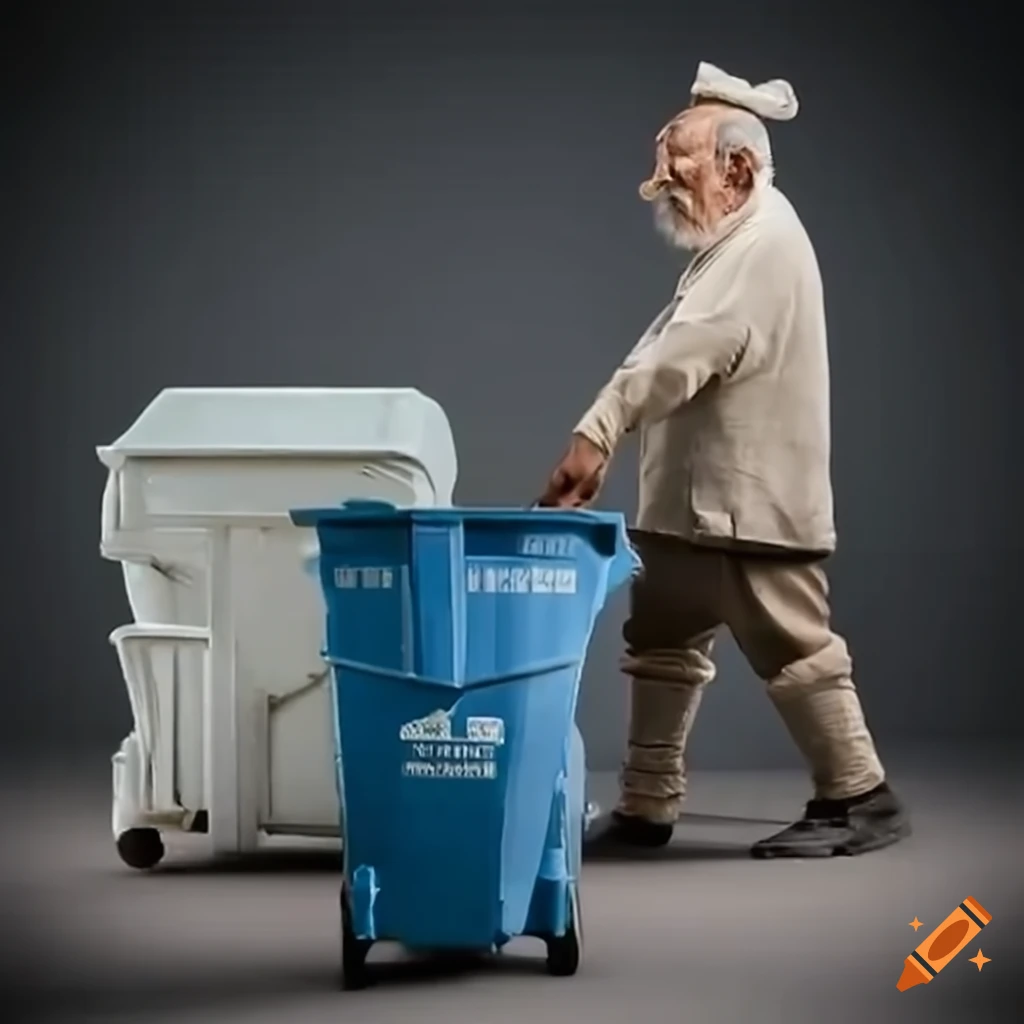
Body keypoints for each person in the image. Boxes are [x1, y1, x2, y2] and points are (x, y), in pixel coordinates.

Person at [538, 62, 910, 858]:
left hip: (746, 513)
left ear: (736, 168)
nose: (659, 183)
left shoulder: (765, 243)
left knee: (797, 650)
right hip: (690, 512)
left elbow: (683, 353)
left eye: (679, 166)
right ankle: (645, 805)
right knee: (659, 646)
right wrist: (605, 433)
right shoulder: (734, 242)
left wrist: (597, 431)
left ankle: (861, 796)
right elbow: (669, 344)